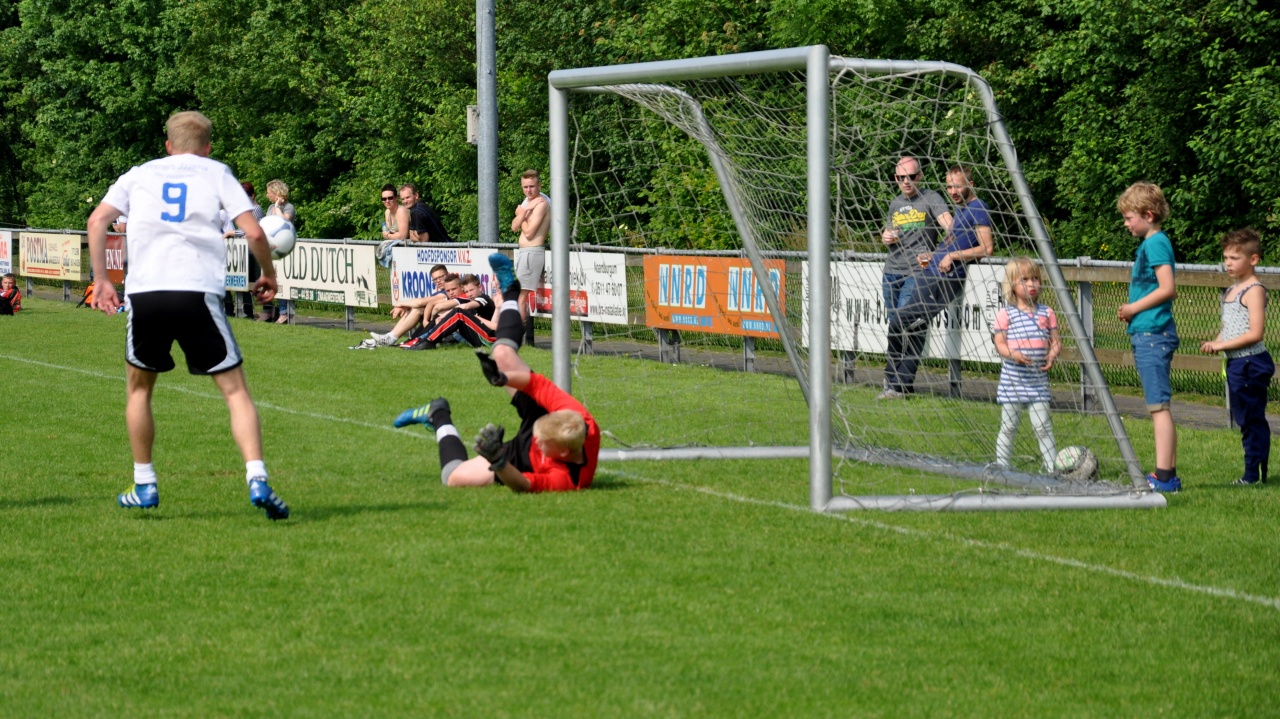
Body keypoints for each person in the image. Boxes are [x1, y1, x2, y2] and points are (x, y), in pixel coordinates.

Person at [85, 110, 290, 520]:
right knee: (235, 392)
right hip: (196, 290)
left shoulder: (139, 174)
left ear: (168, 145)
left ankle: (144, 482)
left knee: (140, 389)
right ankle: (257, 477)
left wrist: (103, 280)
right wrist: (267, 274)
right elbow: (253, 231)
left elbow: (97, 220)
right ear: (208, 146)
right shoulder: (215, 172)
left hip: (147, 293)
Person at [393, 254, 599, 492]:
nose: (537, 439)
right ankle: (511, 291)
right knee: (501, 356)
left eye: (542, 441)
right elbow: (534, 384)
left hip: (523, 458)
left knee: (453, 477)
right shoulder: (578, 418)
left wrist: (499, 461)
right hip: (541, 416)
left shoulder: (568, 479)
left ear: (562, 452)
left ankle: (437, 413)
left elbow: (523, 484)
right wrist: (502, 379)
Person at [881, 165, 993, 399]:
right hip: (930, 271)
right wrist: (935, 254)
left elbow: (986, 248)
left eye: (957, 186)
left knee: (902, 321)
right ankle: (898, 385)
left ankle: (895, 382)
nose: (952, 191)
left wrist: (951, 256)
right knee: (909, 324)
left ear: (971, 185)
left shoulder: (978, 208)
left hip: (945, 278)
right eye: (949, 186)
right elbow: (953, 242)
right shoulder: (961, 209)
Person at [1116, 182, 1180, 493]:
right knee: (1158, 406)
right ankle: (1169, 474)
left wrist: (1132, 308)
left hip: (1153, 333)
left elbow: (1167, 288)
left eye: (1129, 218)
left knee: (1158, 408)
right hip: (1149, 331)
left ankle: (1164, 478)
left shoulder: (1155, 244)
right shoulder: (1153, 243)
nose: (1126, 224)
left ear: (1148, 214)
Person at [1200, 228, 1273, 486]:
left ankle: (1253, 474)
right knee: (1244, 419)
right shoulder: (1233, 289)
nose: (1227, 263)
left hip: (1250, 364)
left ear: (1253, 259)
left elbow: (1255, 333)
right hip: (1236, 363)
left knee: (1251, 420)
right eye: (1226, 257)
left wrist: (1223, 345)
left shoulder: (1254, 290)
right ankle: (1254, 471)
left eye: (1234, 258)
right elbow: (1230, 326)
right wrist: (1216, 342)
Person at [992, 258, 1060, 473]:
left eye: (1035, 279)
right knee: (1009, 426)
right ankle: (1002, 468)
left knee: (1043, 427)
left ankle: (1052, 469)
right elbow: (1000, 344)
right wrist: (1014, 354)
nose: (1031, 284)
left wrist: (1052, 354)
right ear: (1012, 284)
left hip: (1038, 382)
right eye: (1024, 280)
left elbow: (1056, 340)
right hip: (1013, 381)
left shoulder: (1046, 312)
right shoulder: (1006, 314)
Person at [880, 156, 953, 338]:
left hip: (916, 271)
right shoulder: (895, 203)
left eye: (911, 176)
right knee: (894, 323)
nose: (906, 181)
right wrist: (886, 236)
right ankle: (896, 363)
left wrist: (939, 254)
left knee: (904, 319)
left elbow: (951, 229)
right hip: (891, 270)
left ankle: (906, 362)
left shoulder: (931, 198)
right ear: (895, 178)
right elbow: (889, 232)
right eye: (900, 177)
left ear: (920, 176)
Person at [398, 274, 498, 350]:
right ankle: (416, 340)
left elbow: (465, 306)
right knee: (442, 317)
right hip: (474, 335)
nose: (469, 294)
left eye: (471, 290)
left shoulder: (484, 298)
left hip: (485, 337)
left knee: (458, 312)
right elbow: (432, 303)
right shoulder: (473, 301)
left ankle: (427, 341)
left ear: (480, 288)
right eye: (467, 292)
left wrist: (445, 315)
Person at [365, 264, 451, 347]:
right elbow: (423, 301)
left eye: (441, 277)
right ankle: (389, 336)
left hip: (442, 322)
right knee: (415, 308)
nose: (438, 281)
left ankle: (390, 338)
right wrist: (404, 306)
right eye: (435, 279)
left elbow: (421, 302)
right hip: (433, 320)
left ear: (448, 275)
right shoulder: (440, 292)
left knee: (418, 308)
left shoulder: (448, 292)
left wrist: (400, 303)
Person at [510, 170, 550, 331]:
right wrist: (525, 212)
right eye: (525, 187)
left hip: (533, 251)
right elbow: (514, 227)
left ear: (539, 185)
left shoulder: (541, 203)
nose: (528, 190)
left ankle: (518, 330)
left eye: (532, 186)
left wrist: (522, 214)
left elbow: (529, 232)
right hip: (524, 251)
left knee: (520, 295)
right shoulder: (528, 203)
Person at [224, 180, 264, 319]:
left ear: (252, 196)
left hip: (253, 249)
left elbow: (250, 230)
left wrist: (231, 233)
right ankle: (246, 310)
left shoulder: (256, 209)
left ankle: (256, 310)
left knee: (253, 280)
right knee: (242, 279)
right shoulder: (245, 210)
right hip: (244, 248)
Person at [260, 179, 295, 323]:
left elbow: (284, 222)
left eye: (269, 193)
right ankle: (270, 310)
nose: (267, 195)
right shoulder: (269, 208)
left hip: (283, 250)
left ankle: (284, 312)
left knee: (282, 281)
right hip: (270, 249)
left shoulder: (288, 207)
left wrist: (277, 207)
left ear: (276, 193)